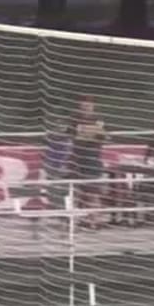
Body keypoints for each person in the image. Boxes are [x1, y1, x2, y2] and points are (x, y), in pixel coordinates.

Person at [68, 96, 107, 226]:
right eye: (83, 107)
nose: (85, 109)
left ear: (93, 107)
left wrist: (92, 134)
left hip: (92, 157)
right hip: (77, 158)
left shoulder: (98, 119)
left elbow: (103, 137)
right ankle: (79, 218)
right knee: (78, 190)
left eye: (88, 107)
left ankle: (95, 219)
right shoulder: (74, 119)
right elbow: (69, 136)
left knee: (93, 191)